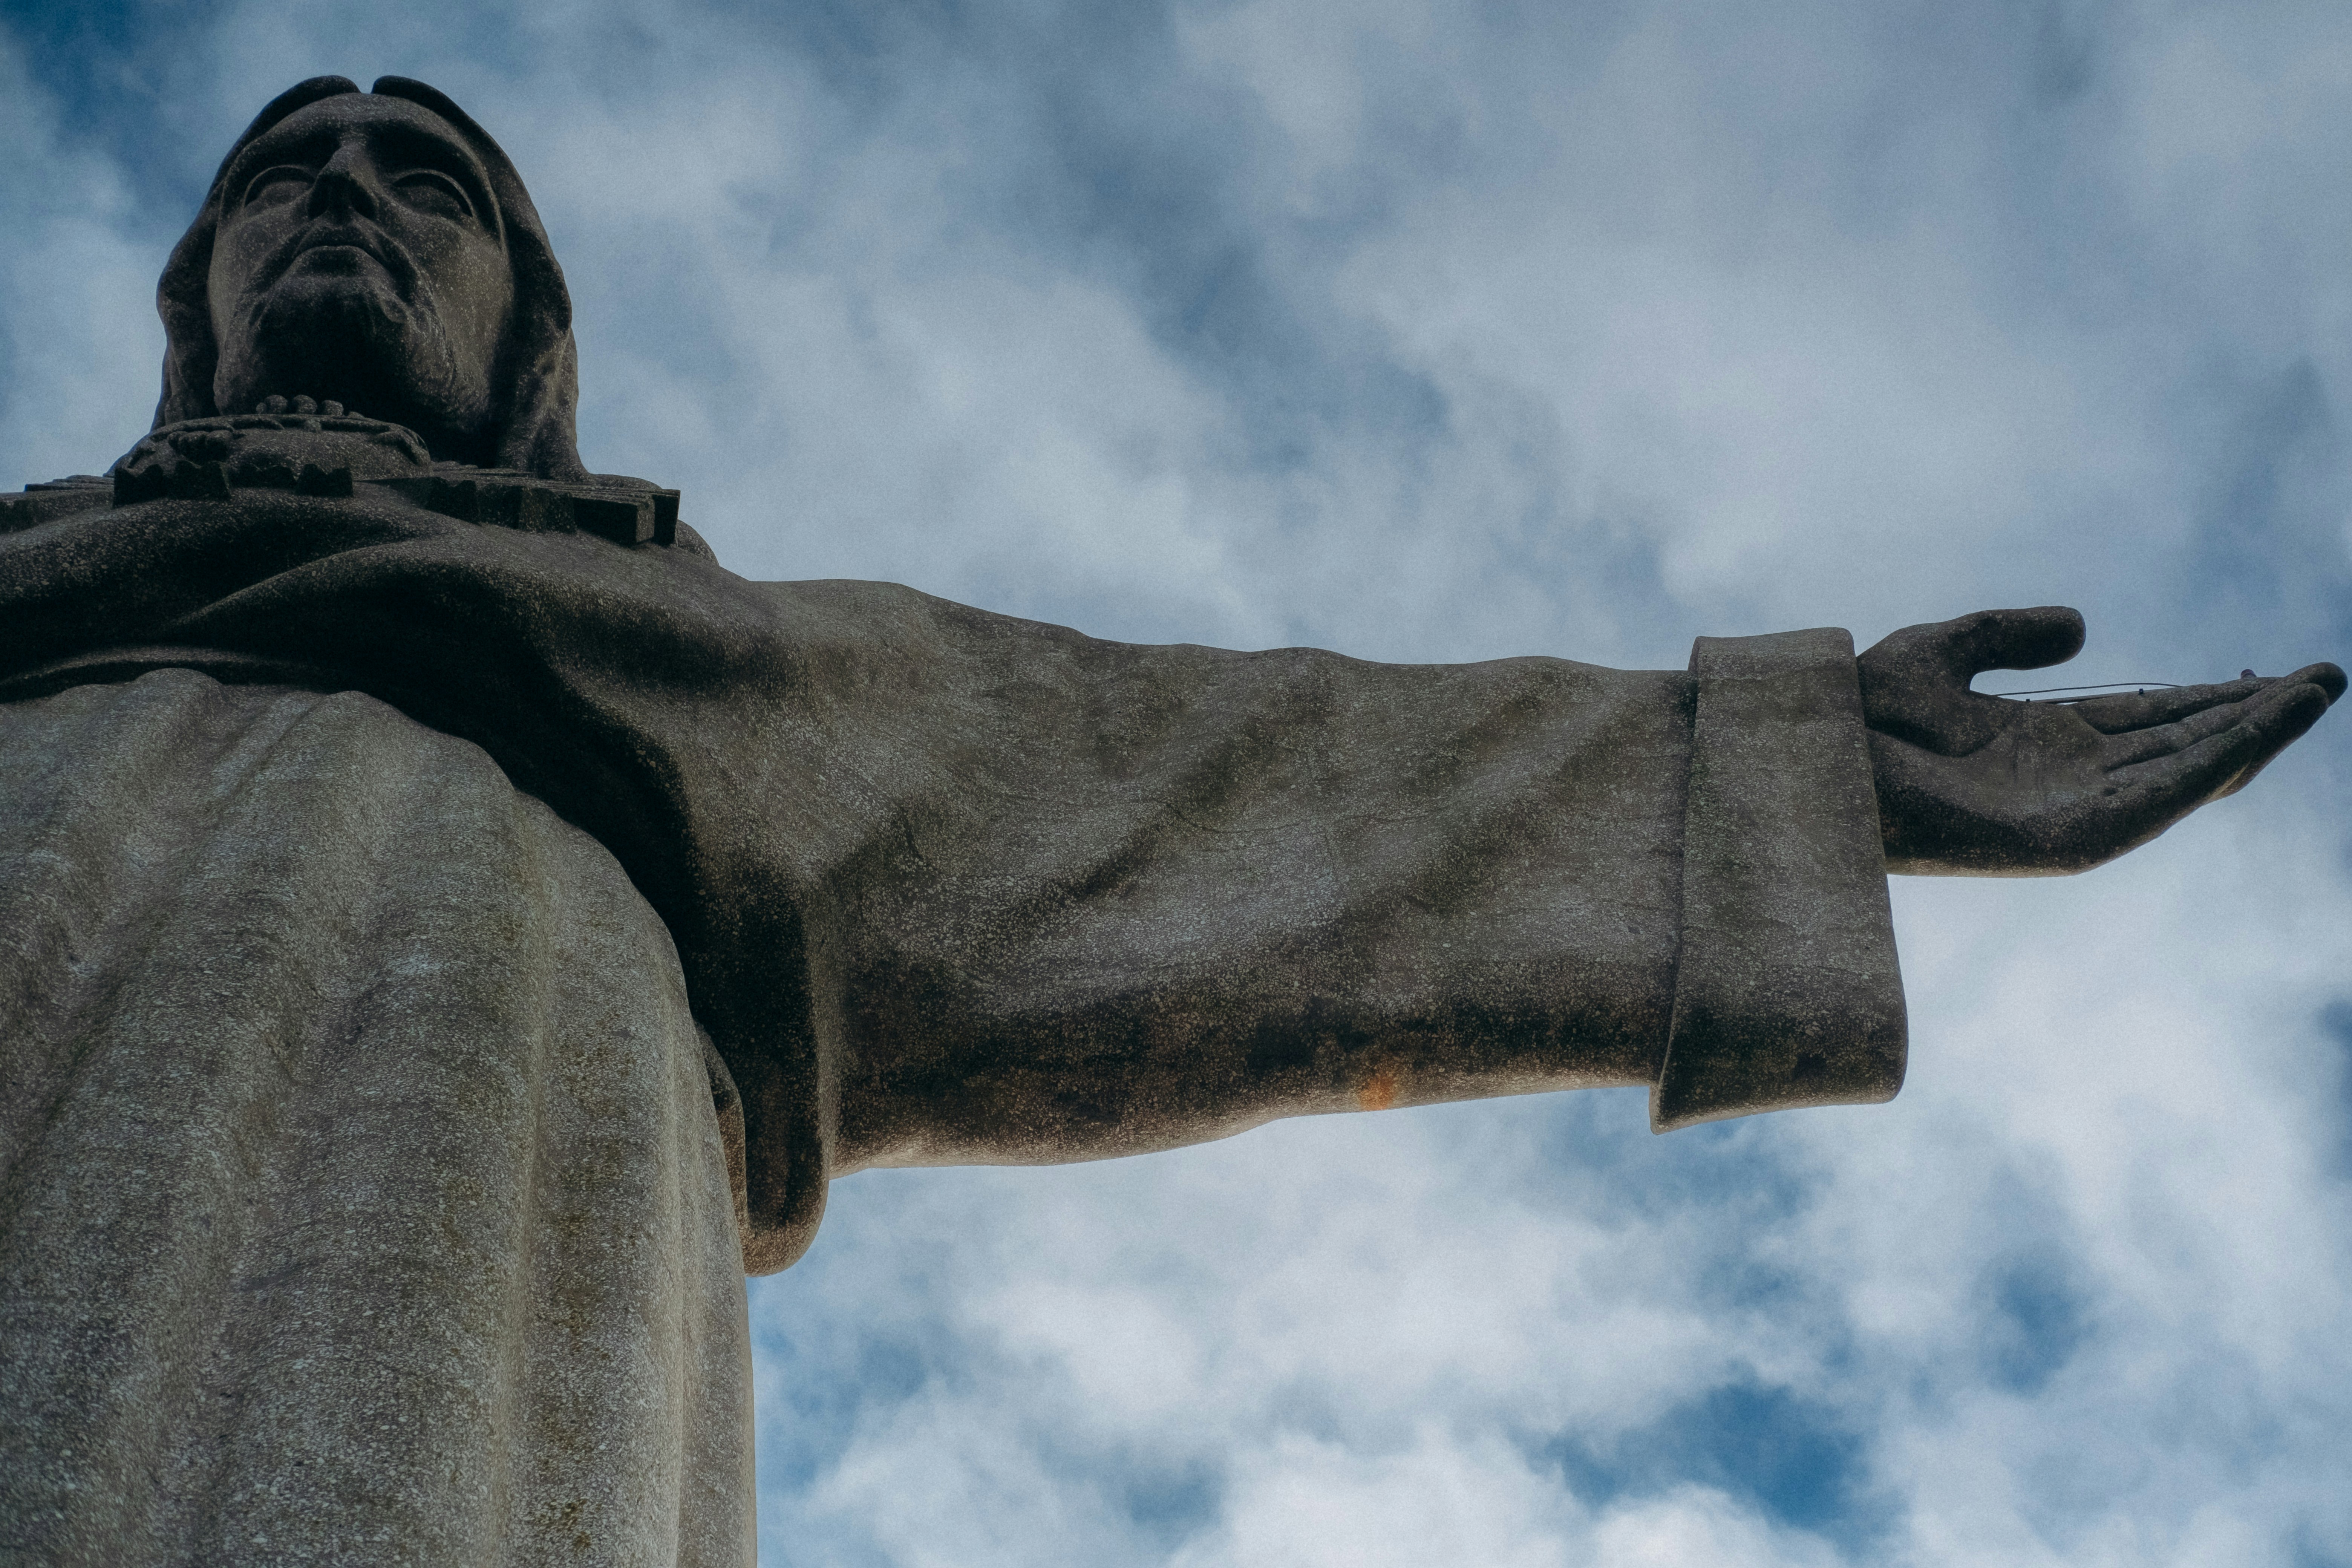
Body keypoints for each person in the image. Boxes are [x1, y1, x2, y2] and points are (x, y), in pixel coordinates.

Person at [0, 76, 2337, 1568]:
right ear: (198, 290)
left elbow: (1231, 783)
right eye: (282, 178)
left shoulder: (704, 669)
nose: (346, 207)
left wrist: (1796, 762)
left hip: (485, 1083)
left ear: (523, 335)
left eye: (432, 187)